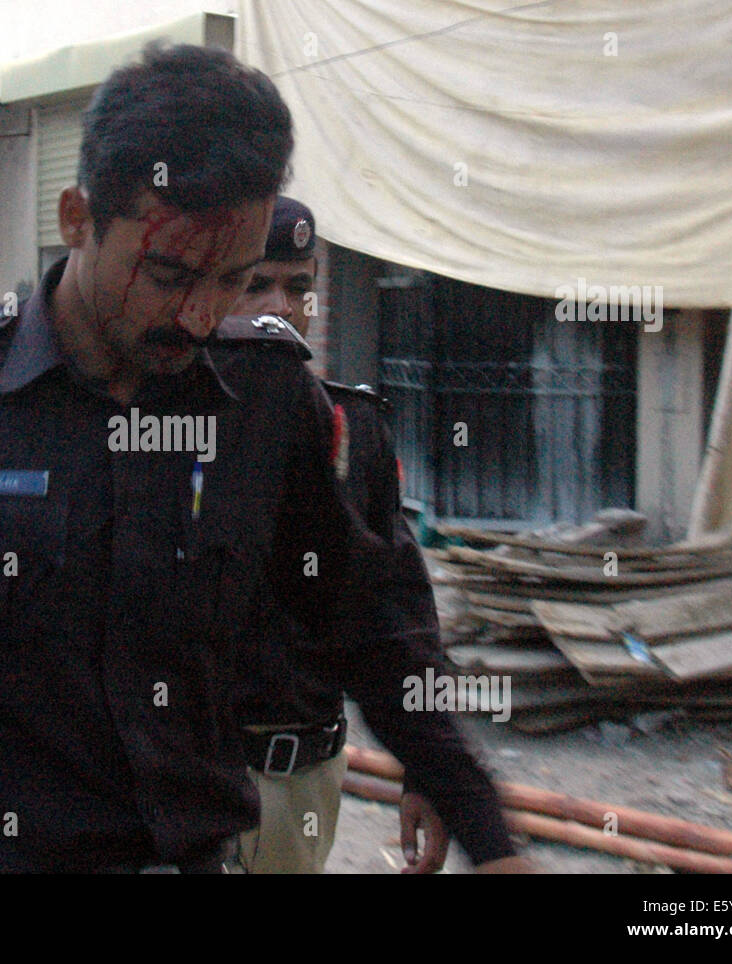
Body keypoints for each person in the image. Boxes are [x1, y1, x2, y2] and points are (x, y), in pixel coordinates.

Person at [0, 43, 521, 873]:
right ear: (75, 218)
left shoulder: (266, 402)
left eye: (233, 279)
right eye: (170, 275)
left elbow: (366, 625)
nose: (203, 316)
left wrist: (483, 829)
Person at [228, 197, 497, 873]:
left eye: (299, 287)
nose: (280, 307)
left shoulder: (356, 430)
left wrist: (424, 773)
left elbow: (402, 614)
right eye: (255, 283)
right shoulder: (165, 430)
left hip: (302, 783)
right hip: (189, 776)